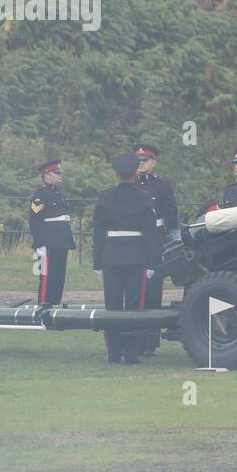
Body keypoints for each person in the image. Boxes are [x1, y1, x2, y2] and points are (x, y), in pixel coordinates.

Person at [92, 152, 162, 364]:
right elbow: (150, 233)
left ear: (116, 174)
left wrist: (97, 262)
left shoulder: (104, 197)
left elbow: (97, 232)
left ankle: (113, 353)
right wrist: (151, 262)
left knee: (112, 306)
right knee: (134, 307)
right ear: (134, 173)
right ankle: (131, 354)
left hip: (111, 256)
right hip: (135, 257)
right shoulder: (144, 198)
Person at [133, 142, 178, 356]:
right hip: (132, 241)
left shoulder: (162, 186)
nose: (141, 164)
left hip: (155, 239)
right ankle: (132, 338)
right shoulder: (128, 184)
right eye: (138, 160)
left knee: (152, 290)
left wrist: (174, 235)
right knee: (132, 290)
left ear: (154, 162)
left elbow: (171, 214)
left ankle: (150, 342)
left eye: (145, 160)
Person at [28, 158, 75, 307]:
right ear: (47, 175)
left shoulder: (60, 193)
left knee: (59, 275)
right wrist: (39, 243)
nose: (60, 175)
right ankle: (44, 303)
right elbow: (35, 220)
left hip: (62, 239)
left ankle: (55, 304)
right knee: (47, 275)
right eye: (57, 173)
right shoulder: (40, 195)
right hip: (48, 241)